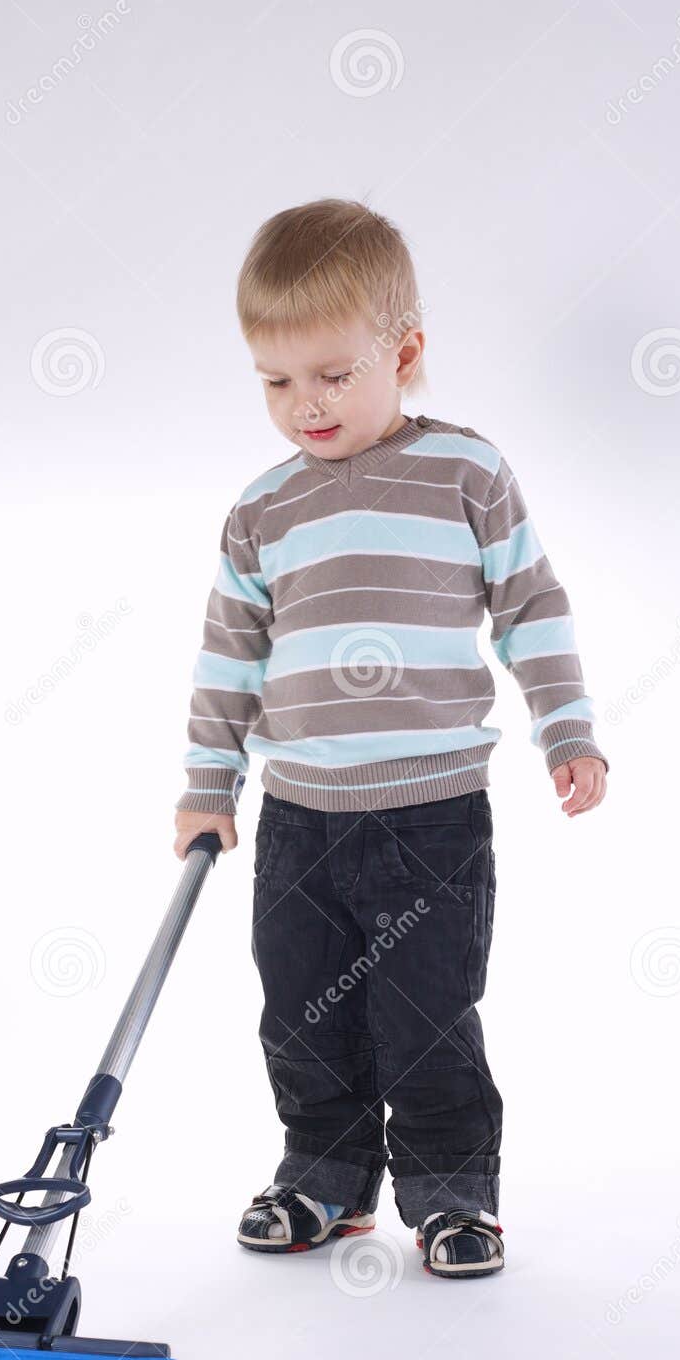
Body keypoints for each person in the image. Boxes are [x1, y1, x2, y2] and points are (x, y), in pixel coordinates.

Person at [173, 199, 608, 1278]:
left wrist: (568, 729)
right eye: (276, 381)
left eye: (332, 374)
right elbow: (229, 654)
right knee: (300, 1009)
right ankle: (323, 1174)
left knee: (428, 1010)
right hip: (299, 819)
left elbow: (531, 605)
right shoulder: (262, 512)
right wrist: (206, 784)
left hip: (431, 813)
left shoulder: (464, 472)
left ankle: (454, 1191)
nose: (303, 405)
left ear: (403, 355)